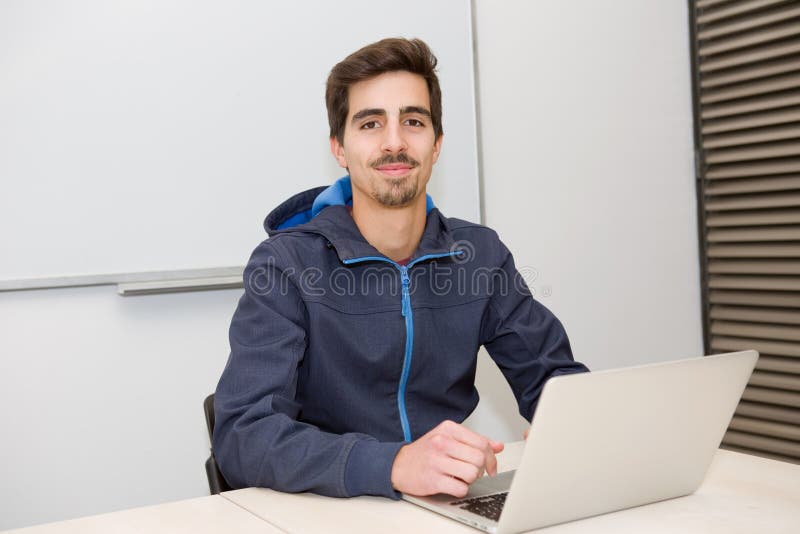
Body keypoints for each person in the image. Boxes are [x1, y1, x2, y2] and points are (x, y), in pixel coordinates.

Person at [213, 37, 588, 500]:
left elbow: (553, 376)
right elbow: (243, 436)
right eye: (370, 123)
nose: (394, 142)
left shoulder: (480, 255)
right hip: (329, 509)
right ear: (339, 149)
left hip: (446, 502)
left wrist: (575, 428)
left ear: (436, 145)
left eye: (413, 121)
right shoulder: (286, 264)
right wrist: (391, 464)